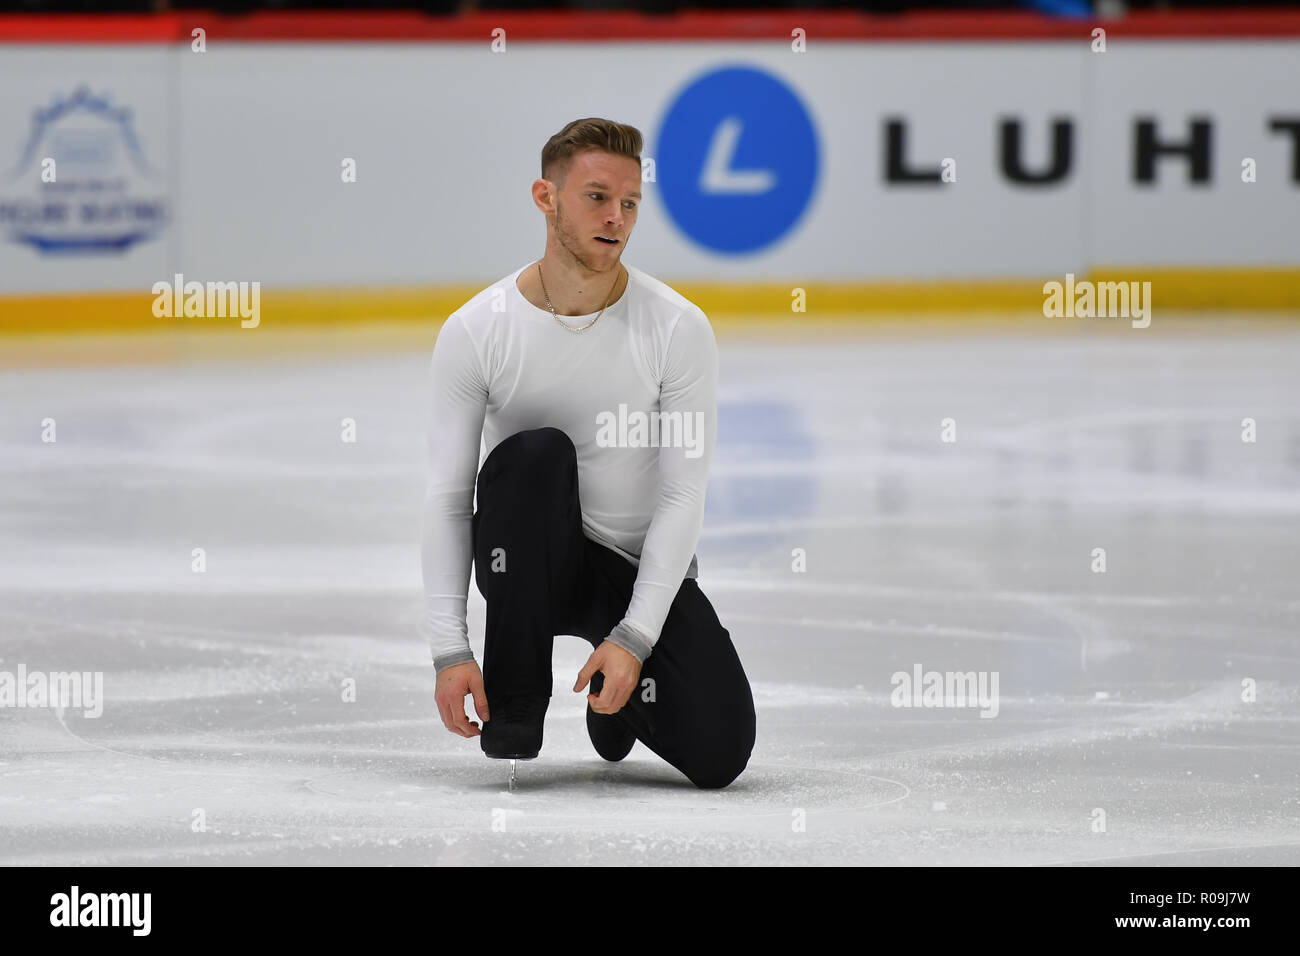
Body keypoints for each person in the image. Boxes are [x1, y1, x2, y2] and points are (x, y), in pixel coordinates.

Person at [422, 117, 755, 790]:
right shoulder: (476, 331)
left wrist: (635, 638)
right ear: (546, 198)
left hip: (630, 572)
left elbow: (683, 494)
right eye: (597, 197)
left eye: (630, 203)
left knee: (721, 753)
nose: (617, 218)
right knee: (534, 456)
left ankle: (623, 702)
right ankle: (517, 702)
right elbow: (450, 499)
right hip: (529, 560)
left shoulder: (678, 328)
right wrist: (449, 649)